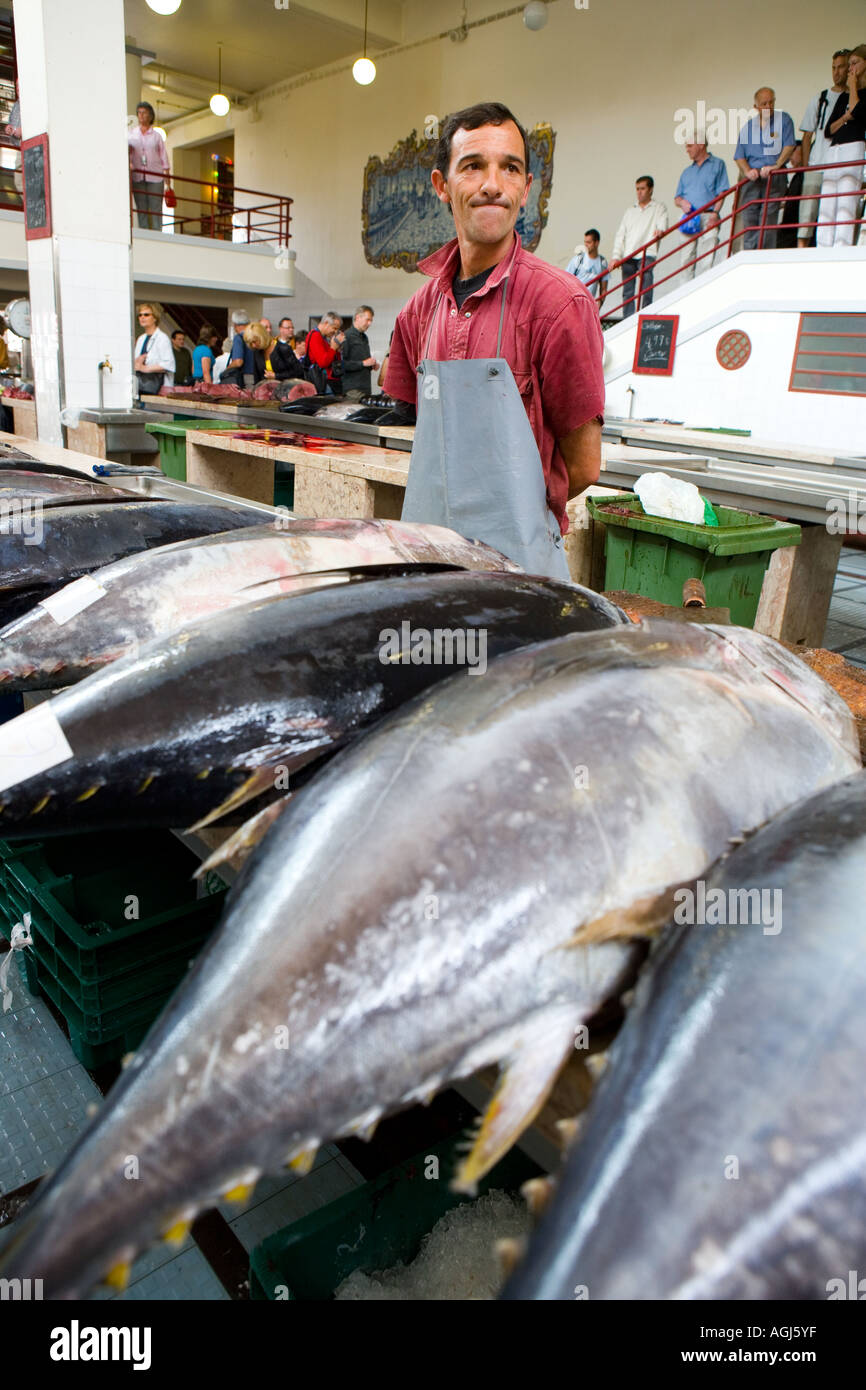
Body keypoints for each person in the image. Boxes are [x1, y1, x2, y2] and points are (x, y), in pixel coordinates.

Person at [384, 101, 604, 580]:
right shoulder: (418, 311)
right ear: (442, 186)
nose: (492, 185)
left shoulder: (561, 305)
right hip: (431, 559)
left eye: (510, 169)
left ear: (525, 189)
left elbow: (584, 466)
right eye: (473, 167)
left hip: (522, 572)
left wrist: (509, 518)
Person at [799, 51, 851, 248]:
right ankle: (801, 254)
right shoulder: (820, 98)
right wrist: (805, 167)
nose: (836, 72)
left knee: (834, 216)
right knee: (806, 218)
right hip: (816, 164)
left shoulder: (853, 98)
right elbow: (807, 136)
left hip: (840, 165)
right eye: (833, 67)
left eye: (841, 67)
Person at [734, 89, 797, 250]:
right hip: (752, 180)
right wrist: (748, 171)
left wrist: (776, 165)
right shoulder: (748, 127)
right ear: (755, 107)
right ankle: (749, 259)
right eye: (764, 104)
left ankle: (763, 259)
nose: (768, 106)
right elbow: (739, 156)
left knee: (767, 222)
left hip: (773, 177)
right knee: (749, 221)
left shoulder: (784, 120)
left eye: (771, 102)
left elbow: (790, 145)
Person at [819, 45, 866, 248]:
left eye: (855, 63)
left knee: (846, 200)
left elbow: (857, 110)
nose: (850, 69)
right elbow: (829, 129)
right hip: (834, 149)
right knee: (827, 200)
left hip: (854, 146)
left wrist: (853, 84)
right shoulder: (842, 97)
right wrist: (846, 117)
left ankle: (841, 247)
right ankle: (823, 246)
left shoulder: (858, 93)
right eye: (850, 65)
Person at [610, 176, 668, 316]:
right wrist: (616, 256)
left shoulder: (658, 207)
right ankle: (628, 318)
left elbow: (662, 224)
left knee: (646, 286)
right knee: (628, 291)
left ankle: (645, 314)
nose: (639, 192)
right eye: (637, 189)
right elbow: (620, 234)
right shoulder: (630, 211)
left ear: (650, 190)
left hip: (647, 252)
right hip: (629, 253)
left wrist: (660, 230)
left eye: (642, 189)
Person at [674, 139, 728, 280]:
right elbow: (677, 198)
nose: (687, 149)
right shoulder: (687, 172)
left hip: (708, 215)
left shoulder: (718, 164)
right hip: (689, 219)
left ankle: (706, 289)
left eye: (690, 146)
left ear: (701, 145)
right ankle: (685, 293)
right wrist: (682, 202)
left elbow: (722, 192)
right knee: (686, 259)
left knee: (707, 259)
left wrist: (715, 213)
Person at [127, 102, 170, 231]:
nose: (141, 115)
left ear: (151, 116)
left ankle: (157, 233)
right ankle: (144, 232)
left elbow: (164, 157)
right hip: (138, 176)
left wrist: (168, 180)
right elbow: (128, 152)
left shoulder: (156, 136)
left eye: (144, 112)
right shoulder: (132, 134)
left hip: (155, 177)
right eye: (139, 112)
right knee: (141, 207)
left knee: (156, 207)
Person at [133, 302, 174, 395]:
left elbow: (168, 364)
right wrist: (138, 362)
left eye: (146, 315)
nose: (142, 317)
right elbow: (137, 363)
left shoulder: (162, 338)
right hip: (141, 386)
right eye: (140, 315)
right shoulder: (141, 338)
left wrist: (144, 368)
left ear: (154, 318)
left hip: (157, 387)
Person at [341, 306, 380, 399]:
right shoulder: (346, 336)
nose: (369, 323)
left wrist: (371, 365)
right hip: (353, 390)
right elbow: (341, 365)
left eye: (371, 321)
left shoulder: (364, 337)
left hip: (365, 388)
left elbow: (364, 362)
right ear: (358, 317)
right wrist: (363, 363)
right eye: (367, 320)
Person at [565, 230, 609, 307]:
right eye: (585, 242)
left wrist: (598, 307)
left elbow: (603, 289)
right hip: (575, 303)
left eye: (589, 242)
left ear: (596, 243)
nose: (586, 245)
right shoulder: (578, 259)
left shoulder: (602, 262)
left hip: (589, 306)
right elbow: (566, 280)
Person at [305, 313, 345, 394]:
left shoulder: (323, 338)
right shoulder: (315, 336)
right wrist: (333, 347)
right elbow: (323, 362)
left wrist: (336, 348)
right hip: (323, 383)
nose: (335, 332)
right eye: (334, 328)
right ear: (326, 323)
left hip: (329, 382)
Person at [224, 309, 256, 387]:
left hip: (245, 377)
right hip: (257, 376)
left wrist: (227, 369)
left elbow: (238, 362)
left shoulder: (239, 338)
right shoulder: (255, 336)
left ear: (235, 325)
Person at [5, 79, 21, 201]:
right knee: (19, 181)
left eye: (20, 85)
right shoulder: (16, 105)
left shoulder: (33, 103)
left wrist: (19, 130)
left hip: (32, 147)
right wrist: (10, 129)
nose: (18, 88)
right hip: (19, 148)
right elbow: (12, 123)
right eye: (16, 86)